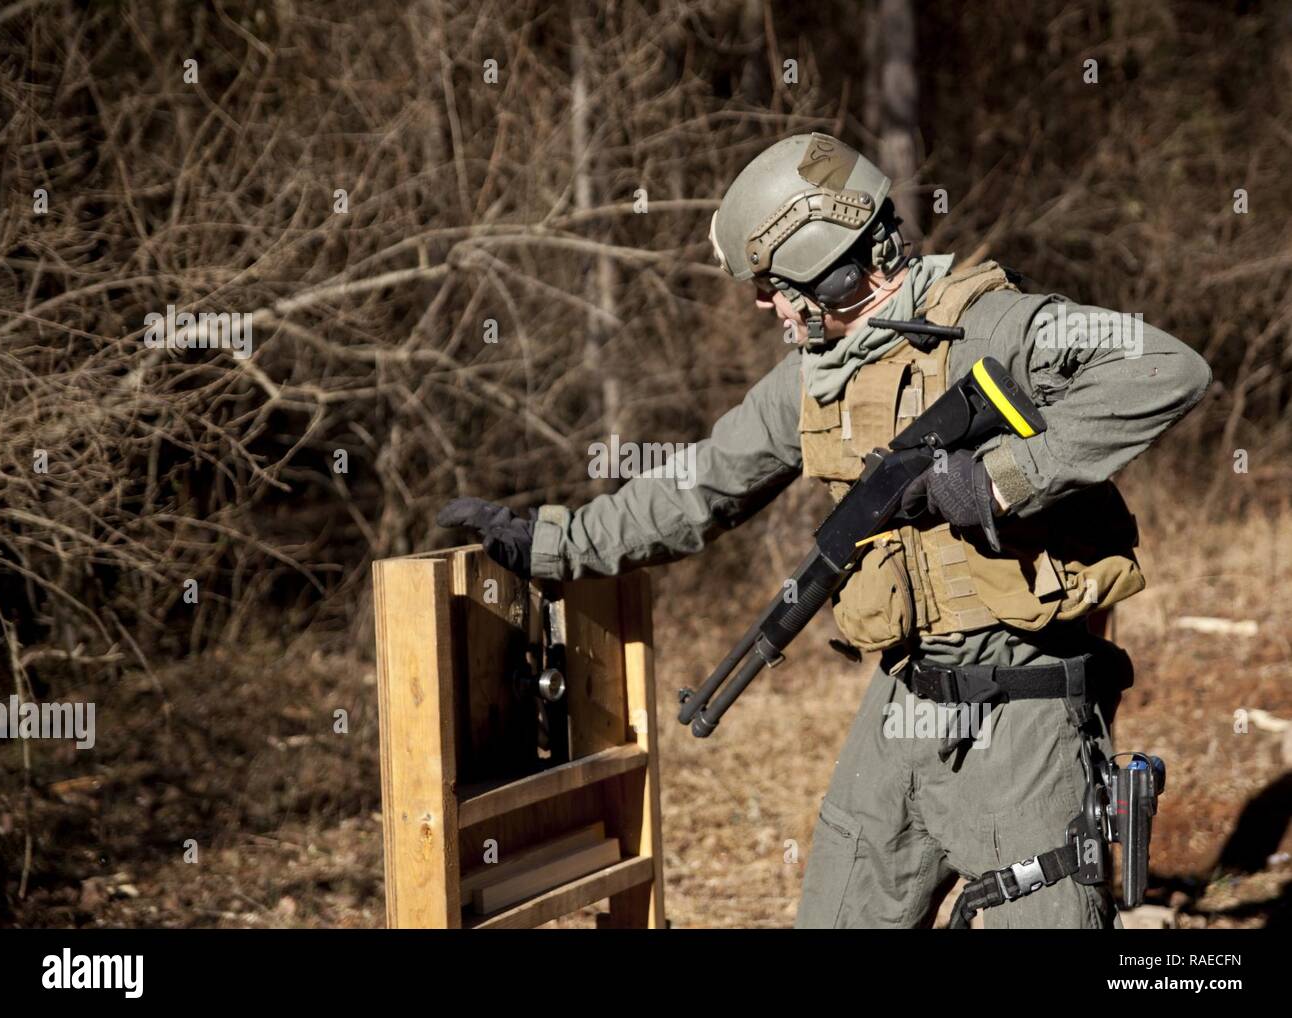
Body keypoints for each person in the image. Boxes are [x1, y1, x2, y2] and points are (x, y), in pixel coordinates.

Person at [439, 133, 1211, 928]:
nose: (765, 305)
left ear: (830, 267)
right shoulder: (816, 379)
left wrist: (997, 479)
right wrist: (551, 543)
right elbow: (699, 485)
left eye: (774, 285)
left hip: (1023, 723)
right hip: (900, 710)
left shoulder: (994, 327)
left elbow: (1167, 368)